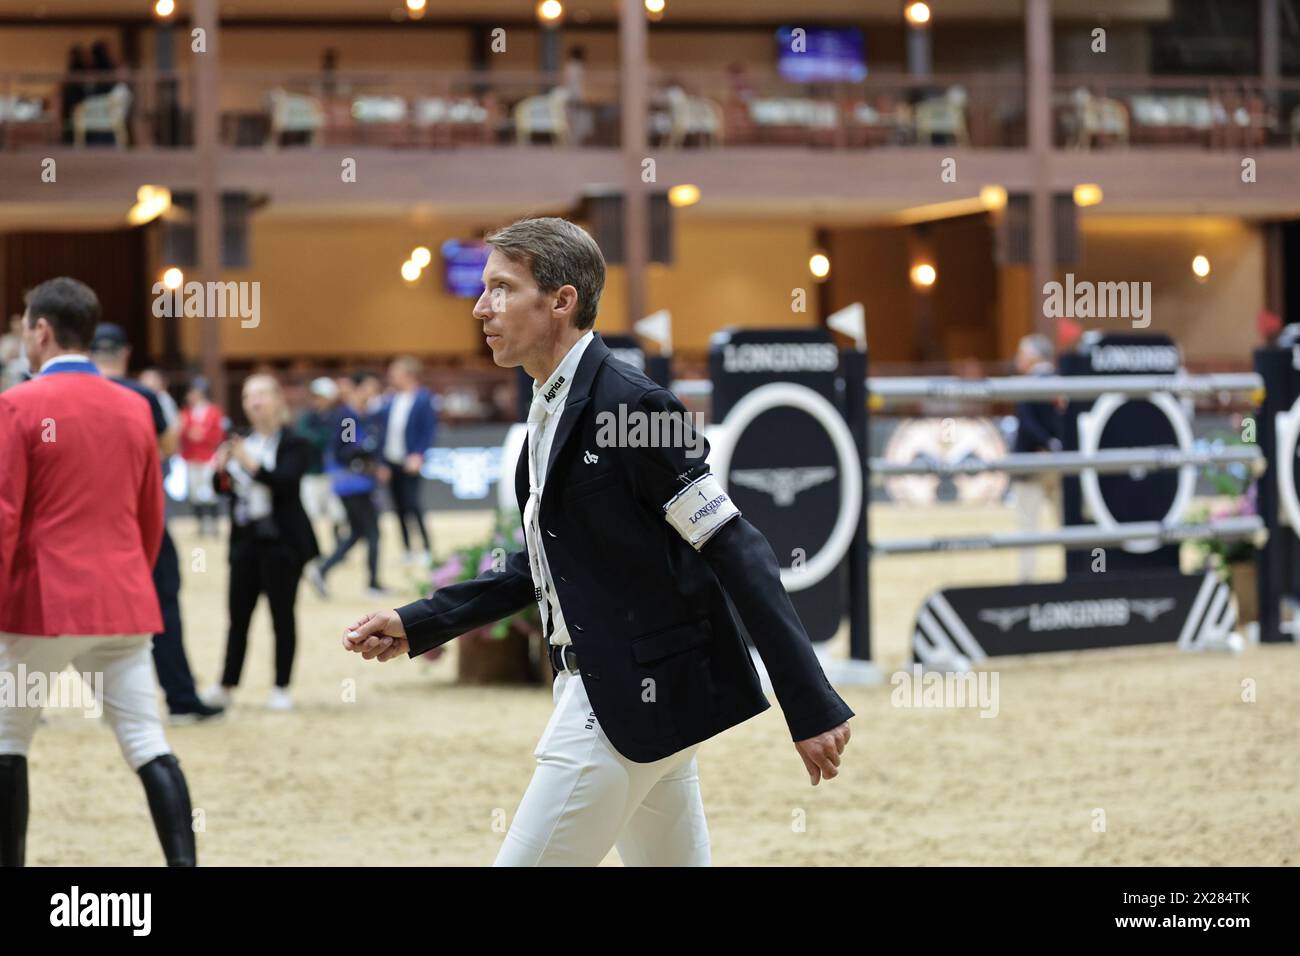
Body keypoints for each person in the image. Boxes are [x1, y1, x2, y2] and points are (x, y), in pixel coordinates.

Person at [343, 217, 853, 866]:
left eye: (501, 288)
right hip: (625, 697)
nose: (480, 307)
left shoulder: (635, 408)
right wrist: (421, 622)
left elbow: (735, 545)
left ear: (562, 301)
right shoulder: (544, 414)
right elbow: (544, 567)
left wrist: (808, 702)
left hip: (613, 705)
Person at [0, 278, 197, 866]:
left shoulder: (16, 405)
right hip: (121, 604)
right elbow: (149, 517)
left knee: (9, 741)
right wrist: (131, 579)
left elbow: (5, 514)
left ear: (41, 330)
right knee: (146, 740)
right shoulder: (135, 405)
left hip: (43, 606)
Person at [90, 324, 223, 725]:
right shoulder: (144, 396)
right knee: (163, 604)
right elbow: (168, 446)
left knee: (98, 612)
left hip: (92, 524)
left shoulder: (76, 395)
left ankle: (109, 703)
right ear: (126, 352)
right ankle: (180, 698)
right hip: (140, 519)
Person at [205, 374, 319, 712]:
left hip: (282, 543)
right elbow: (222, 490)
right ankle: (226, 684)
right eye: (247, 397)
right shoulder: (242, 442)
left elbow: (284, 483)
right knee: (238, 616)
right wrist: (221, 469)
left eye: (261, 395)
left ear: (277, 400)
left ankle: (281, 685)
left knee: (282, 616)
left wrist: (248, 463)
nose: (254, 402)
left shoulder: (295, 443)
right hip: (245, 541)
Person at [308, 374, 388, 599]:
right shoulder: (348, 418)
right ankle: (372, 583)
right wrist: (366, 453)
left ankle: (323, 570)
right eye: (369, 389)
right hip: (352, 483)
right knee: (372, 532)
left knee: (357, 533)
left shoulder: (359, 416)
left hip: (355, 482)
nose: (372, 394)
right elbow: (345, 451)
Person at [1011, 333, 1064, 582]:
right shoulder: (1062, 382)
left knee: (1028, 526)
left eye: (1022, 354)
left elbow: (1027, 422)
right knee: (1067, 524)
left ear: (1034, 356)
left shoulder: (1027, 383)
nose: (1018, 359)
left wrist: (1043, 443)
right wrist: (1056, 445)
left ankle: (1026, 579)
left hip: (1031, 462)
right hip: (1059, 463)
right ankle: (1077, 572)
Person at [379, 357, 437, 566]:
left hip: (411, 461)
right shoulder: (390, 399)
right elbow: (382, 430)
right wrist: (382, 462)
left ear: (408, 374)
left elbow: (428, 430)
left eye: (395, 372)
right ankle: (407, 549)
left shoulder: (423, 398)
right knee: (399, 507)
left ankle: (426, 549)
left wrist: (419, 454)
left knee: (413, 505)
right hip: (391, 459)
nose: (391, 376)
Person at [296, 376, 346, 547]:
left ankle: (338, 546)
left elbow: (347, 440)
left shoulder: (342, 416)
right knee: (310, 513)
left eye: (321, 396)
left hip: (333, 473)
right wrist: (323, 438)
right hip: (311, 472)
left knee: (337, 513)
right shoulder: (307, 417)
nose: (318, 400)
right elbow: (302, 436)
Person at [179, 376, 226, 537]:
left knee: (209, 491)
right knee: (194, 491)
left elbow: (218, 434)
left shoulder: (213, 412)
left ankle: (212, 524)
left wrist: (202, 436)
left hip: (208, 456)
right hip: (191, 457)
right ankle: (200, 524)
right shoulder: (185, 413)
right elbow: (180, 434)